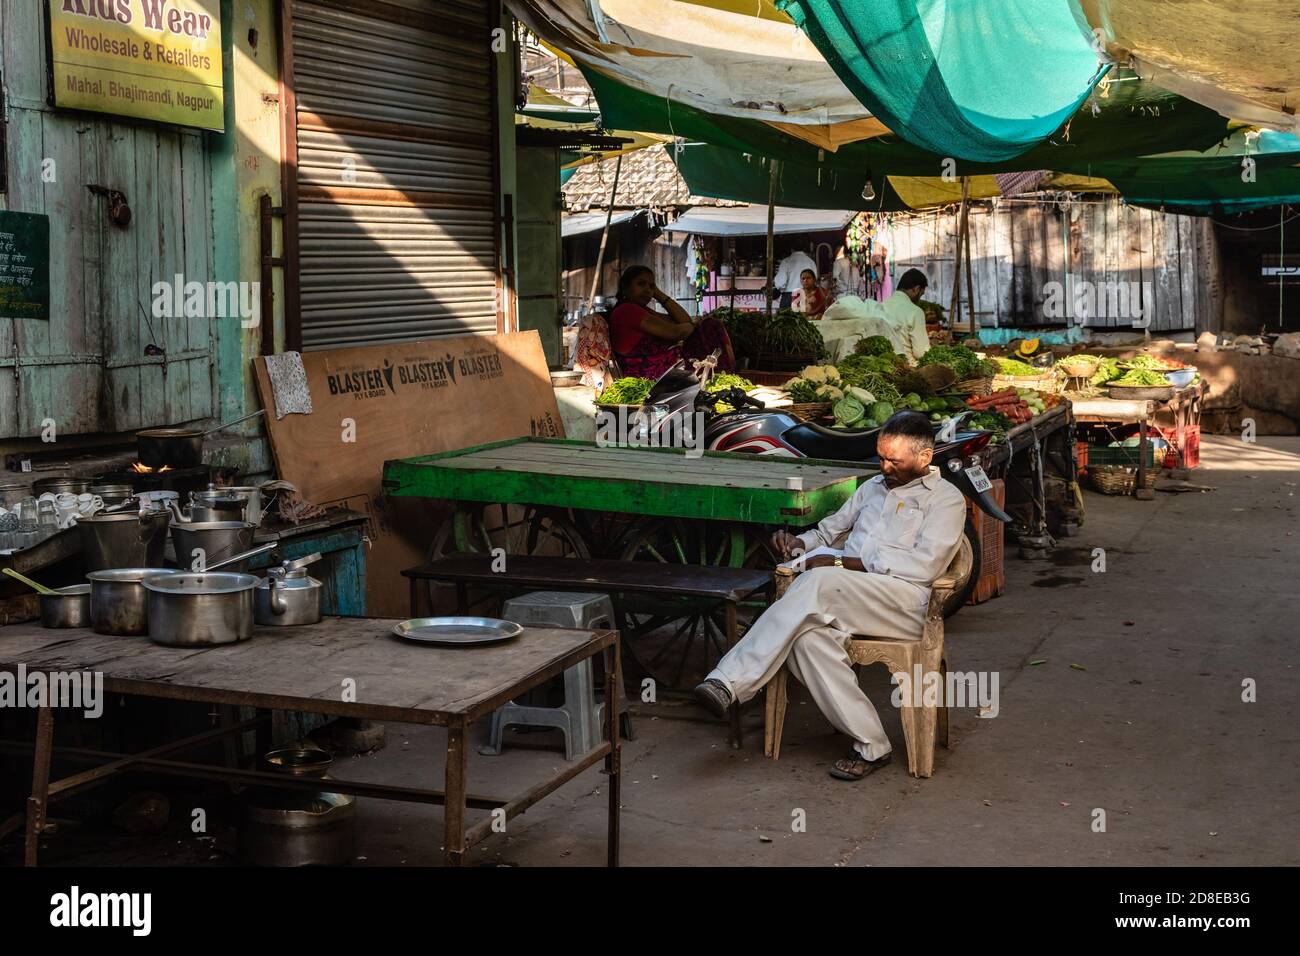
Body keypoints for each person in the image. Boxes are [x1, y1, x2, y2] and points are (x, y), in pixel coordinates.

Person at [692, 412, 966, 780]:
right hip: (848, 596)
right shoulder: (871, 488)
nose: (884, 467)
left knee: (820, 580)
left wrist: (843, 563)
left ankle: (729, 681)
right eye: (881, 458)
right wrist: (797, 543)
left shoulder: (946, 500)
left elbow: (925, 566)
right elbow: (826, 533)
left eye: (894, 461)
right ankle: (873, 745)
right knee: (806, 643)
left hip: (906, 602)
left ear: (924, 457)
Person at [607, 265, 735, 380]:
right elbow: (677, 332)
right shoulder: (626, 311)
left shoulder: (641, 310)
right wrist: (692, 324)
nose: (647, 290)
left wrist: (658, 294)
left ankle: (725, 376)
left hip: (660, 365)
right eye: (641, 284)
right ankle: (726, 377)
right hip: (647, 372)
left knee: (709, 326)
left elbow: (683, 320)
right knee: (709, 327)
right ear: (625, 288)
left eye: (651, 286)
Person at [881, 268, 932, 365]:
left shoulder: (881, 306)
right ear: (916, 289)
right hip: (907, 367)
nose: (919, 299)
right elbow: (921, 353)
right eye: (921, 295)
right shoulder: (915, 312)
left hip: (884, 365)